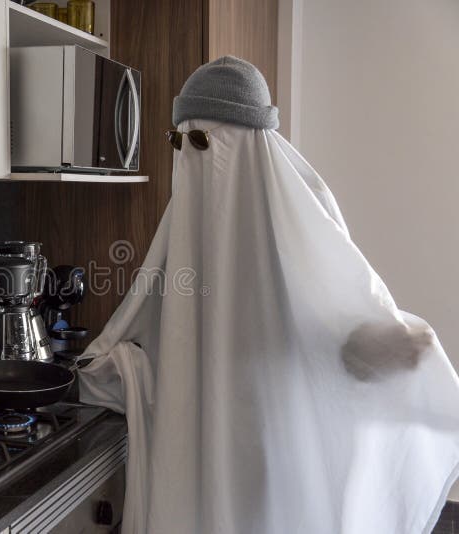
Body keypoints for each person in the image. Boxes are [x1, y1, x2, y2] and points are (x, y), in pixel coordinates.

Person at [79, 56, 459, 534]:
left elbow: (346, 324)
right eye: (179, 141)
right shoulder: (187, 221)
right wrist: (118, 370)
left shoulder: (301, 213)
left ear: (247, 140)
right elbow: (148, 319)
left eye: (200, 141)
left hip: (275, 448)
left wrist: (390, 345)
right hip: (202, 443)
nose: (189, 156)